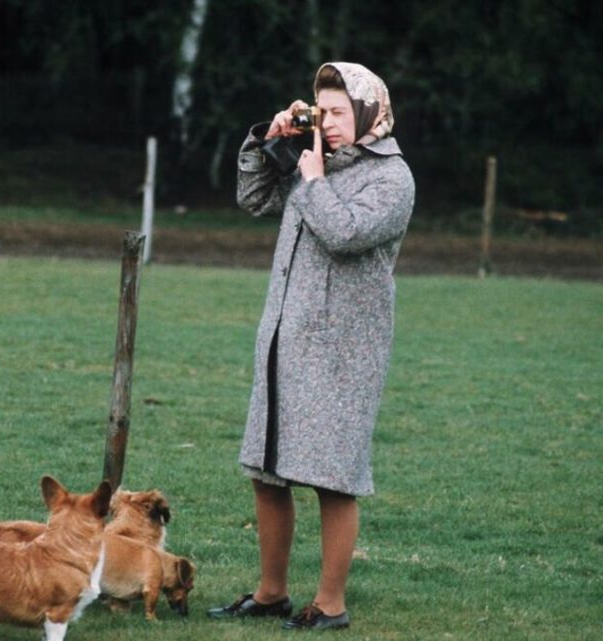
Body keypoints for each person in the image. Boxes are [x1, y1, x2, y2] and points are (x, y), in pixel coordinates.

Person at [207, 62, 415, 631]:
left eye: (341, 113)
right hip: (284, 336)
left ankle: (330, 605)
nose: (330, 124)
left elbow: (345, 234)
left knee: (332, 477)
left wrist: (315, 177)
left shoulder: (391, 178)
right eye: (323, 112)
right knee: (268, 470)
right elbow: (252, 198)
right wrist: (267, 141)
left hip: (344, 350)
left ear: (372, 112)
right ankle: (270, 592)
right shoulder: (309, 160)